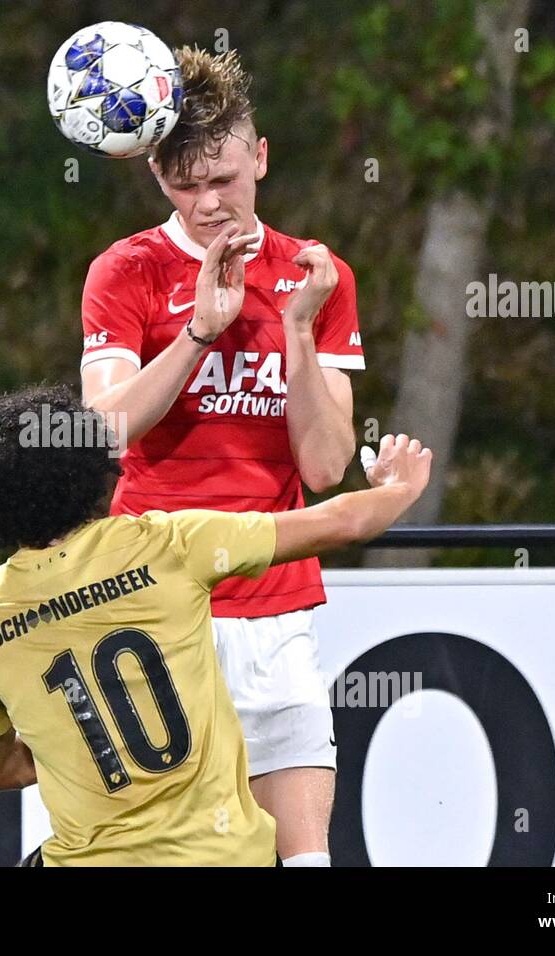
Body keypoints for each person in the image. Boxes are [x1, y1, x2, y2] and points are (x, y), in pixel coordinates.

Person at [79, 47, 363, 865]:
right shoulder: (126, 270)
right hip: (154, 604)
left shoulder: (316, 275)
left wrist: (300, 330)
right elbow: (105, 429)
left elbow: (325, 468)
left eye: (224, 179)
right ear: (156, 175)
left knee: (305, 857)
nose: (208, 204)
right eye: (183, 183)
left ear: (261, 157)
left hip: (276, 606)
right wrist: (202, 330)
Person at [0, 384, 430, 866]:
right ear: (97, 474)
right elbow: (341, 523)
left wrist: (75, 740)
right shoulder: (168, 544)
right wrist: (399, 487)